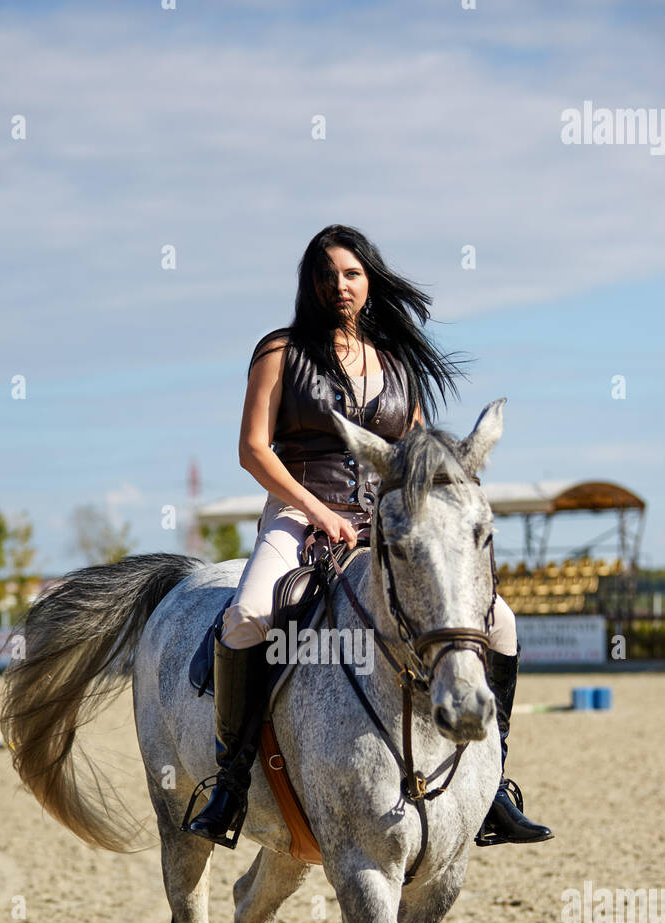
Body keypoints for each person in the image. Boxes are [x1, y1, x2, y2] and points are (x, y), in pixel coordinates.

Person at [185, 224, 552, 850]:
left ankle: (493, 786)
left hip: (381, 523)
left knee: (504, 624)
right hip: (300, 516)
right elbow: (252, 448)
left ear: (369, 280)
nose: (340, 285)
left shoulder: (397, 364)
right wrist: (315, 509)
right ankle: (231, 781)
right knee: (247, 614)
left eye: (351, 273)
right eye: (328, 275)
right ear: (311, 284)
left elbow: (412, 454)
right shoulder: (279, 351)